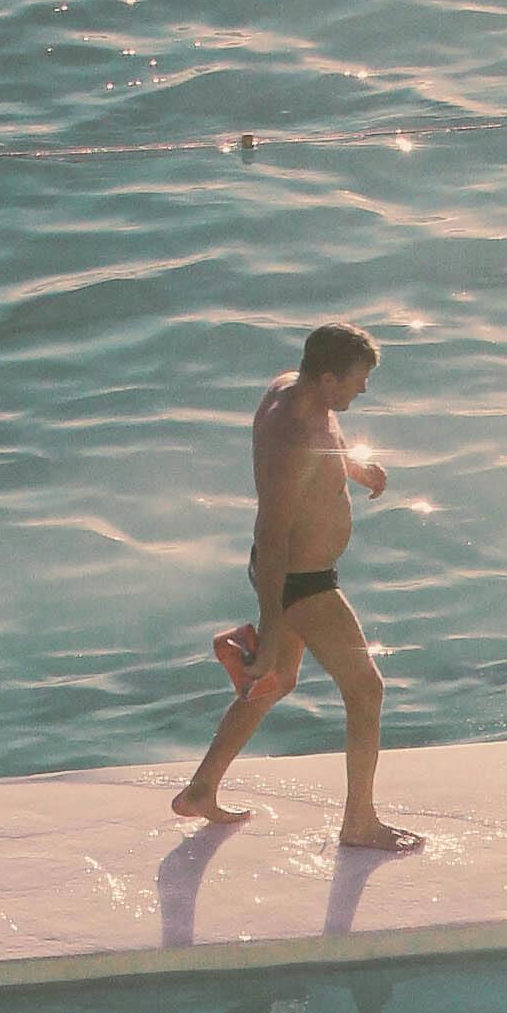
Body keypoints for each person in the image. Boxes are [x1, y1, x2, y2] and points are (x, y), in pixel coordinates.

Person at [172, 321, 423, 850]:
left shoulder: (292, 388)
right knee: (366, 690)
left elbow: (325, 450)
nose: (364, 389)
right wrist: (272, 617)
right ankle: (360, 823)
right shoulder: (296, 437)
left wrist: (356, 469)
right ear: (329, 378)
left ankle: (201, 789)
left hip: (296, 577)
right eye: (358, 380)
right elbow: (273, 530)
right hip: (299, 582)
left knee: (277, 682)